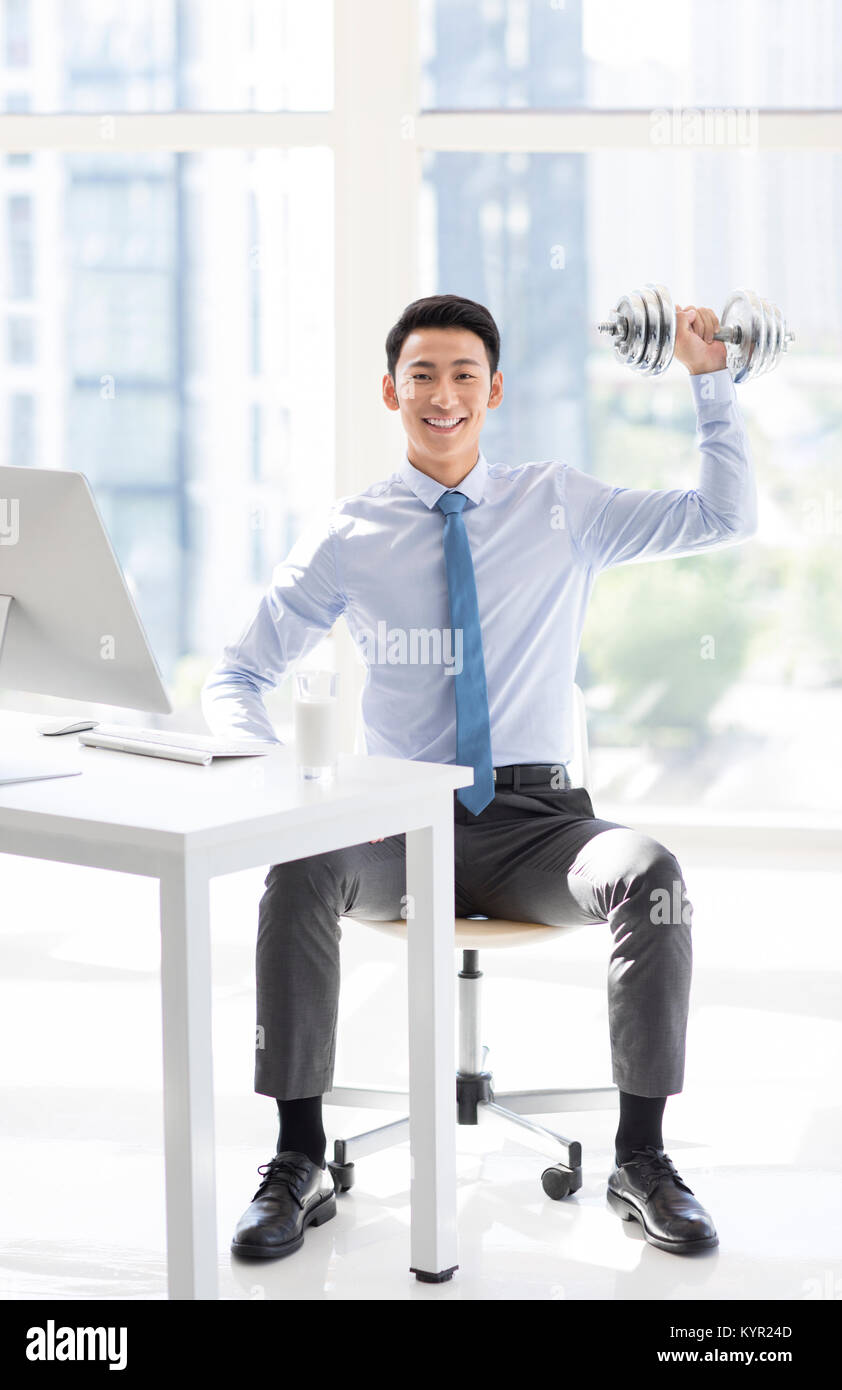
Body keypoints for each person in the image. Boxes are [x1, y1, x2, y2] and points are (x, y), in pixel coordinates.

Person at [202, 292, 756, 1263]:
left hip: (536, 822)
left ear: (492, 389)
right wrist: (272, 775)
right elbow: (237, 673)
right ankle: (296, 1158)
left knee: (651, 872)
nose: (443, 394)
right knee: (295, 866)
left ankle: (640, 1157)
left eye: (463, 374)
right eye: (421, 375)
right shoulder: (350, 533)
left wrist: (707, 383)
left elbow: (720, 514)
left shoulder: (559, 504)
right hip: (391, 819)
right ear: (390, 391)